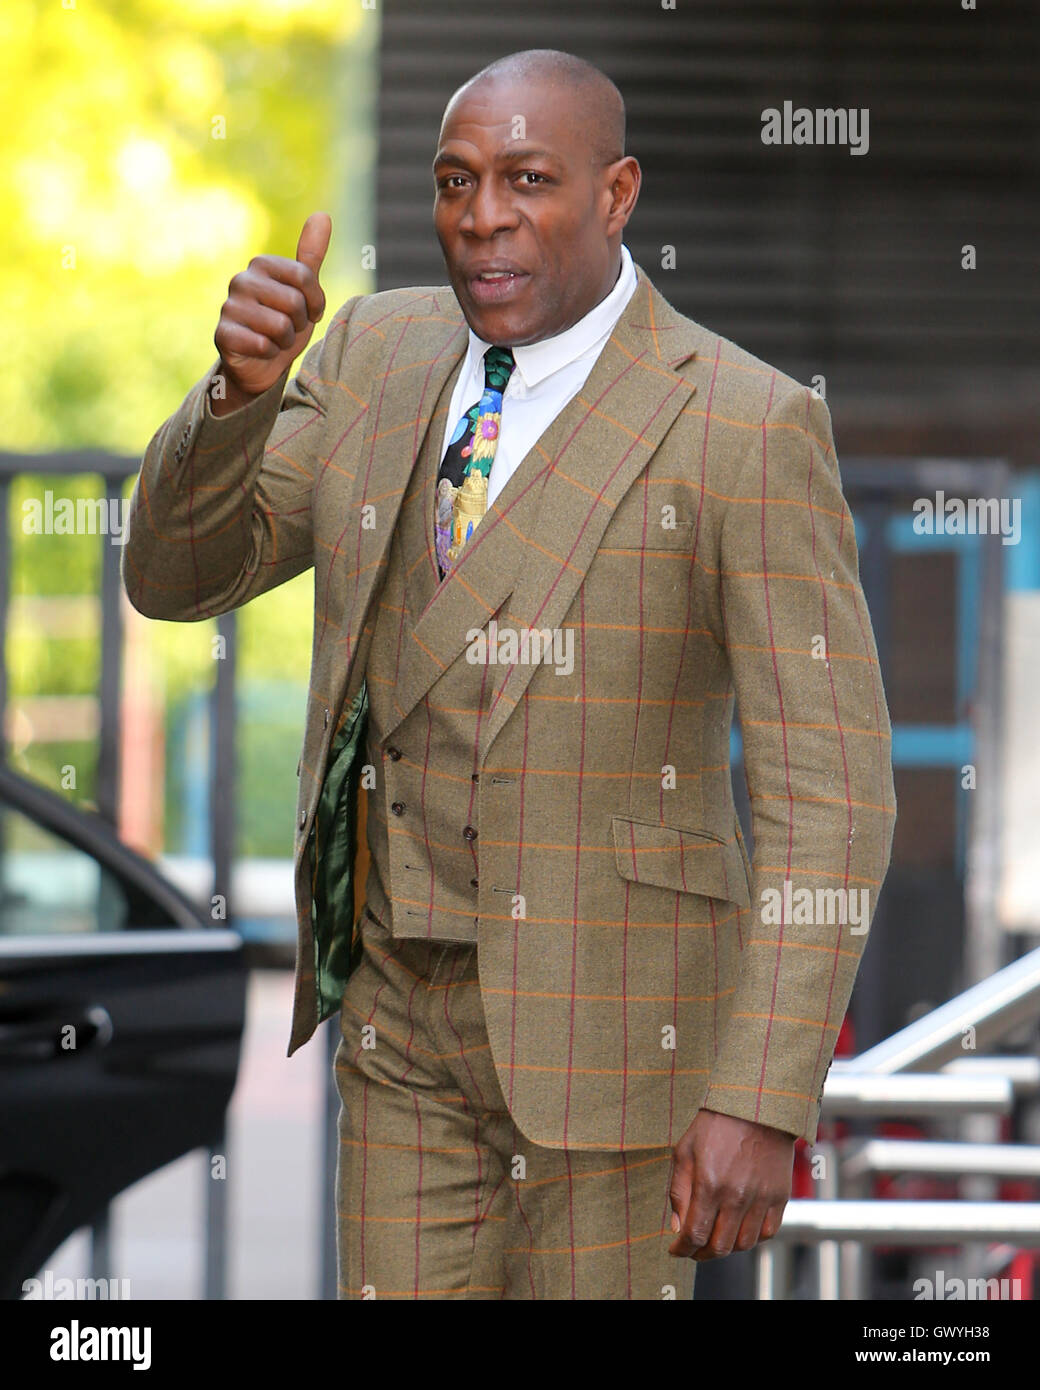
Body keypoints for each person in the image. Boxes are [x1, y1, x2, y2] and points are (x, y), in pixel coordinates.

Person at [123, 48, 896, 1300]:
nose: (481, 216)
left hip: (617, 1042)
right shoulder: (370, 352)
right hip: (397, 1029)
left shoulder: (742, 425)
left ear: (616, 194)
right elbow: (178, 576)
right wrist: (234, 399)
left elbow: (832, 795)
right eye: (454, 181)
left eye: (527, 179)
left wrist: (760, 1094)